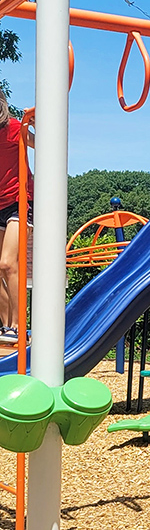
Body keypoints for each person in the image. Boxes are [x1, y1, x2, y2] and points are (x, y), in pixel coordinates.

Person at [0, 91, 32, 344]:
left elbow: (41, 144)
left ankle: (18, 326)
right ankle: (6, 326)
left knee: (8, 263)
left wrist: (35, 126)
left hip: (19, 200)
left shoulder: (12, 128)